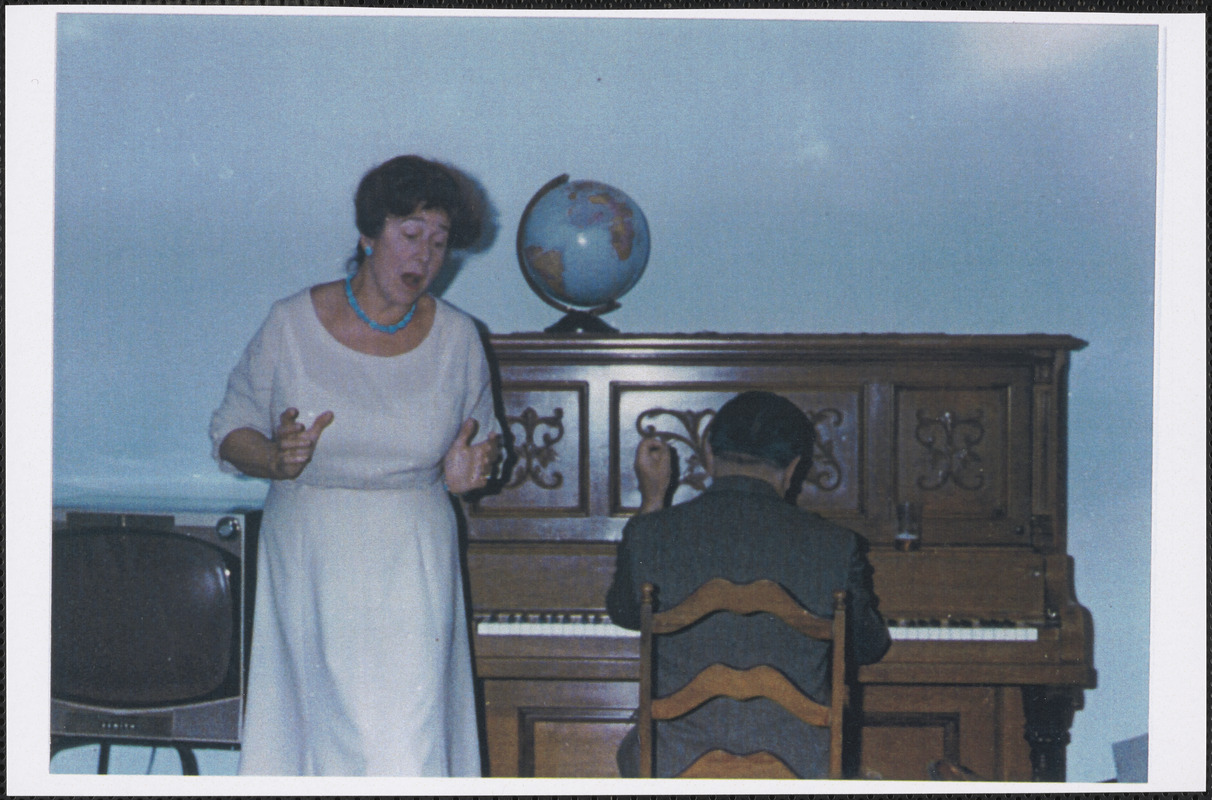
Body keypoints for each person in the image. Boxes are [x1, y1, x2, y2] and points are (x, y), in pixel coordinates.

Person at [209, 155, 502, 776]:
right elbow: (229, 430)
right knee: (316, 743)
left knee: (408, 739)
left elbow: (484, 442)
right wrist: (274, 458)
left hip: (412, 562)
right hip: (313, 553)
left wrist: (473, 469)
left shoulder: (459, 338)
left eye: (440, 243)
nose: (424, 258)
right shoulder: (291, 324)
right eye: (411, 234)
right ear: (370, 234)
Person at [605, 390, 890, 778]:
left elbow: (624, 613)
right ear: (793, 469)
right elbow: (870, 646)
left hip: (674, 766)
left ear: (707, 452)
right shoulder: (837, 544)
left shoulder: (652, 533)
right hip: (800, 770)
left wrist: (653, 501)